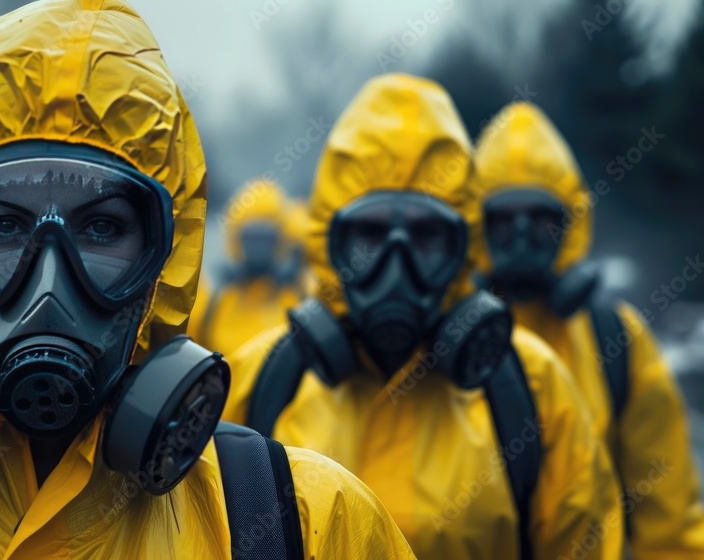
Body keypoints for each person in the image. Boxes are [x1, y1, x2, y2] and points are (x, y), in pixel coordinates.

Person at [0, 2, 418, 558]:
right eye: (6, 230)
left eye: (99, 231)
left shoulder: (310, 526)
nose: (48, 285)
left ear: (167, 257)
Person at [224, 73, 624, 559]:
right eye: (370, 237)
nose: (398, 269)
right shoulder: (259, 382)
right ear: (330, 244)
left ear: (463, 248)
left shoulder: (532, 388)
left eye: (426, 239)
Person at [474, 101, 704, 557]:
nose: (522, 241)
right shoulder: (445, 342)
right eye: (503, 222)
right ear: (472, 225)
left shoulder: (614, 340)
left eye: (541, 222)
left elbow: (670, 518)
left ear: (572, 225)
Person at [188, 179, 305, 357]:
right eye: (250, 238)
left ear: (283, 239)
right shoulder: (216, 303)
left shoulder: (300, 296)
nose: (258, 248)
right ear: (235, 240)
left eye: (266, 238)